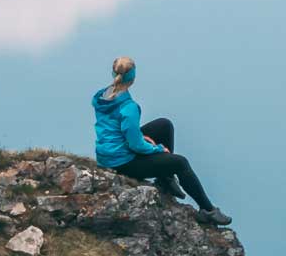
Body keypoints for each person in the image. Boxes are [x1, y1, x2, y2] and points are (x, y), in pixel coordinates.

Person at [91, 55, 232, 226]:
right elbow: (135, 144)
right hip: (122, 162)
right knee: (180, 162)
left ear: (114, 74)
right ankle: (207, 210)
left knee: (164, 125)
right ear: (133, 77)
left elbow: (118, 130)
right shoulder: (129, 107)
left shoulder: (102, 97)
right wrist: (158, 149)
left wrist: (142, 139)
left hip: (107, 154)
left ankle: (165, 179)